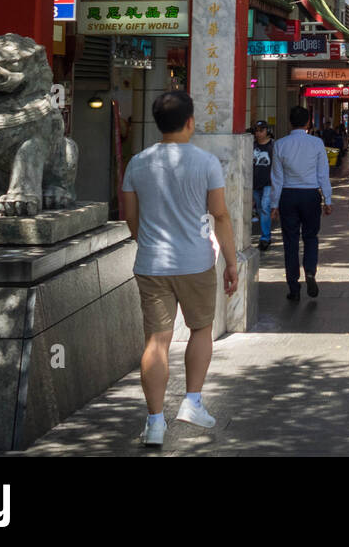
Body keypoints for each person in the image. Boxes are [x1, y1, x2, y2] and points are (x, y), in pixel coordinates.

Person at [121, 90, 237, 447]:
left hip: (152, 263)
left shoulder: (137, 162)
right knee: (201, 329)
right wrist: (232, 261)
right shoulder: (205, 162)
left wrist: (148, 242)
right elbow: (219, 215)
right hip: (196, 262)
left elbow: (129, 215)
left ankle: (154, 422)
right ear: (190, 122)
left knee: (156, 341)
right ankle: (192, 401)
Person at [270, 105, 334, 303]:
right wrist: (328, 200)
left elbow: (277, 178)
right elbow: (323, 174)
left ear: (290, 122)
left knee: (290, 241)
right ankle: (310, 271)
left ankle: (293, 287)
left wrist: (274, 204)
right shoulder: (316, 143)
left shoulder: (280, 144)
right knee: (311, 237)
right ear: (308, 122)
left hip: (288, 195)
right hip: (310, 195)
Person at [252, 121, 275, 252]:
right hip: (255, 182)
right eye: (256, 130)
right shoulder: (252, 145)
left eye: (261, 130)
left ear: (267, 130)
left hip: (268, 183)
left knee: (265, 207)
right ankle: (264, 234)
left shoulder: (273, 146)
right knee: (260, 209)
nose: (258, 133)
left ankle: (265, 238)